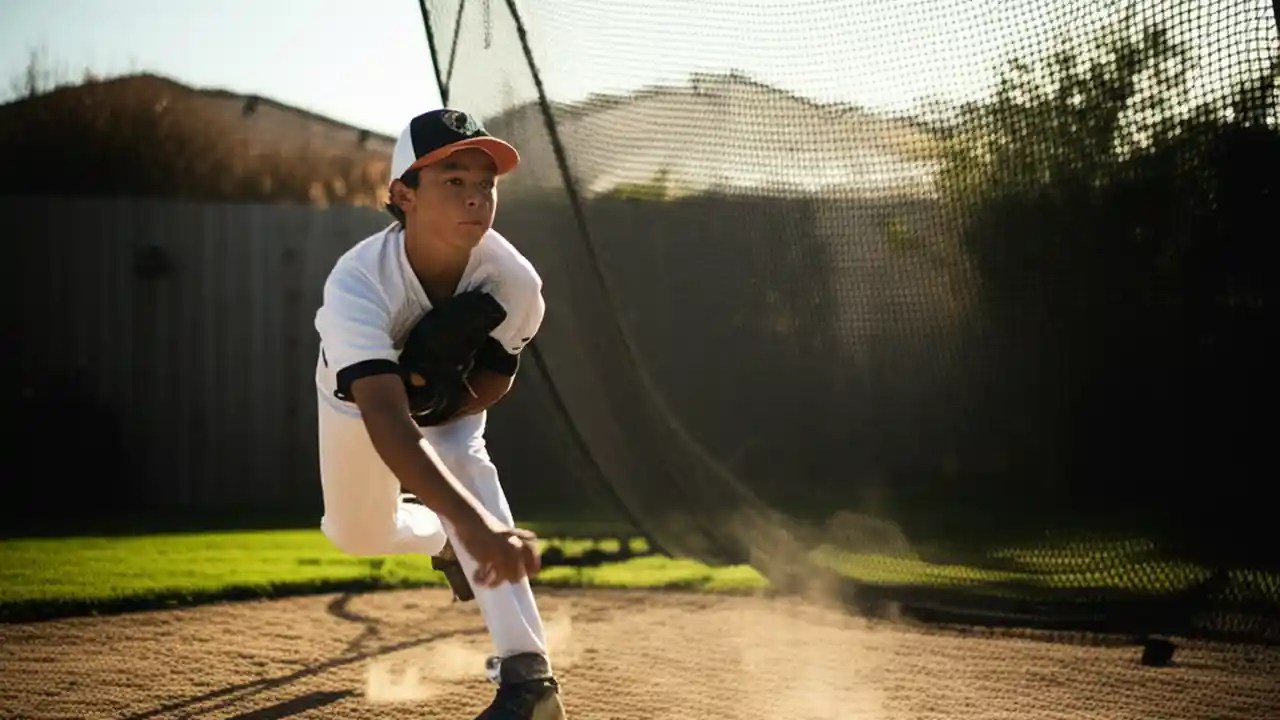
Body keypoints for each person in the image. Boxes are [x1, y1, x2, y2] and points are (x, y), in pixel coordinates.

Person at [312, 108, 566, 720]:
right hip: (357, 407)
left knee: (465, 467)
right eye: (454, 180)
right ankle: (447, 536)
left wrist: (451, 404)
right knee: (357, 534)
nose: (476, 197)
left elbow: (493, 381)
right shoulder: (358, 284)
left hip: (448, 406)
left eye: (486, 184)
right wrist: (469, 529)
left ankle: (527, 677)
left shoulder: (515, 283)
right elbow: (387, 420)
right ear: (403, 195)